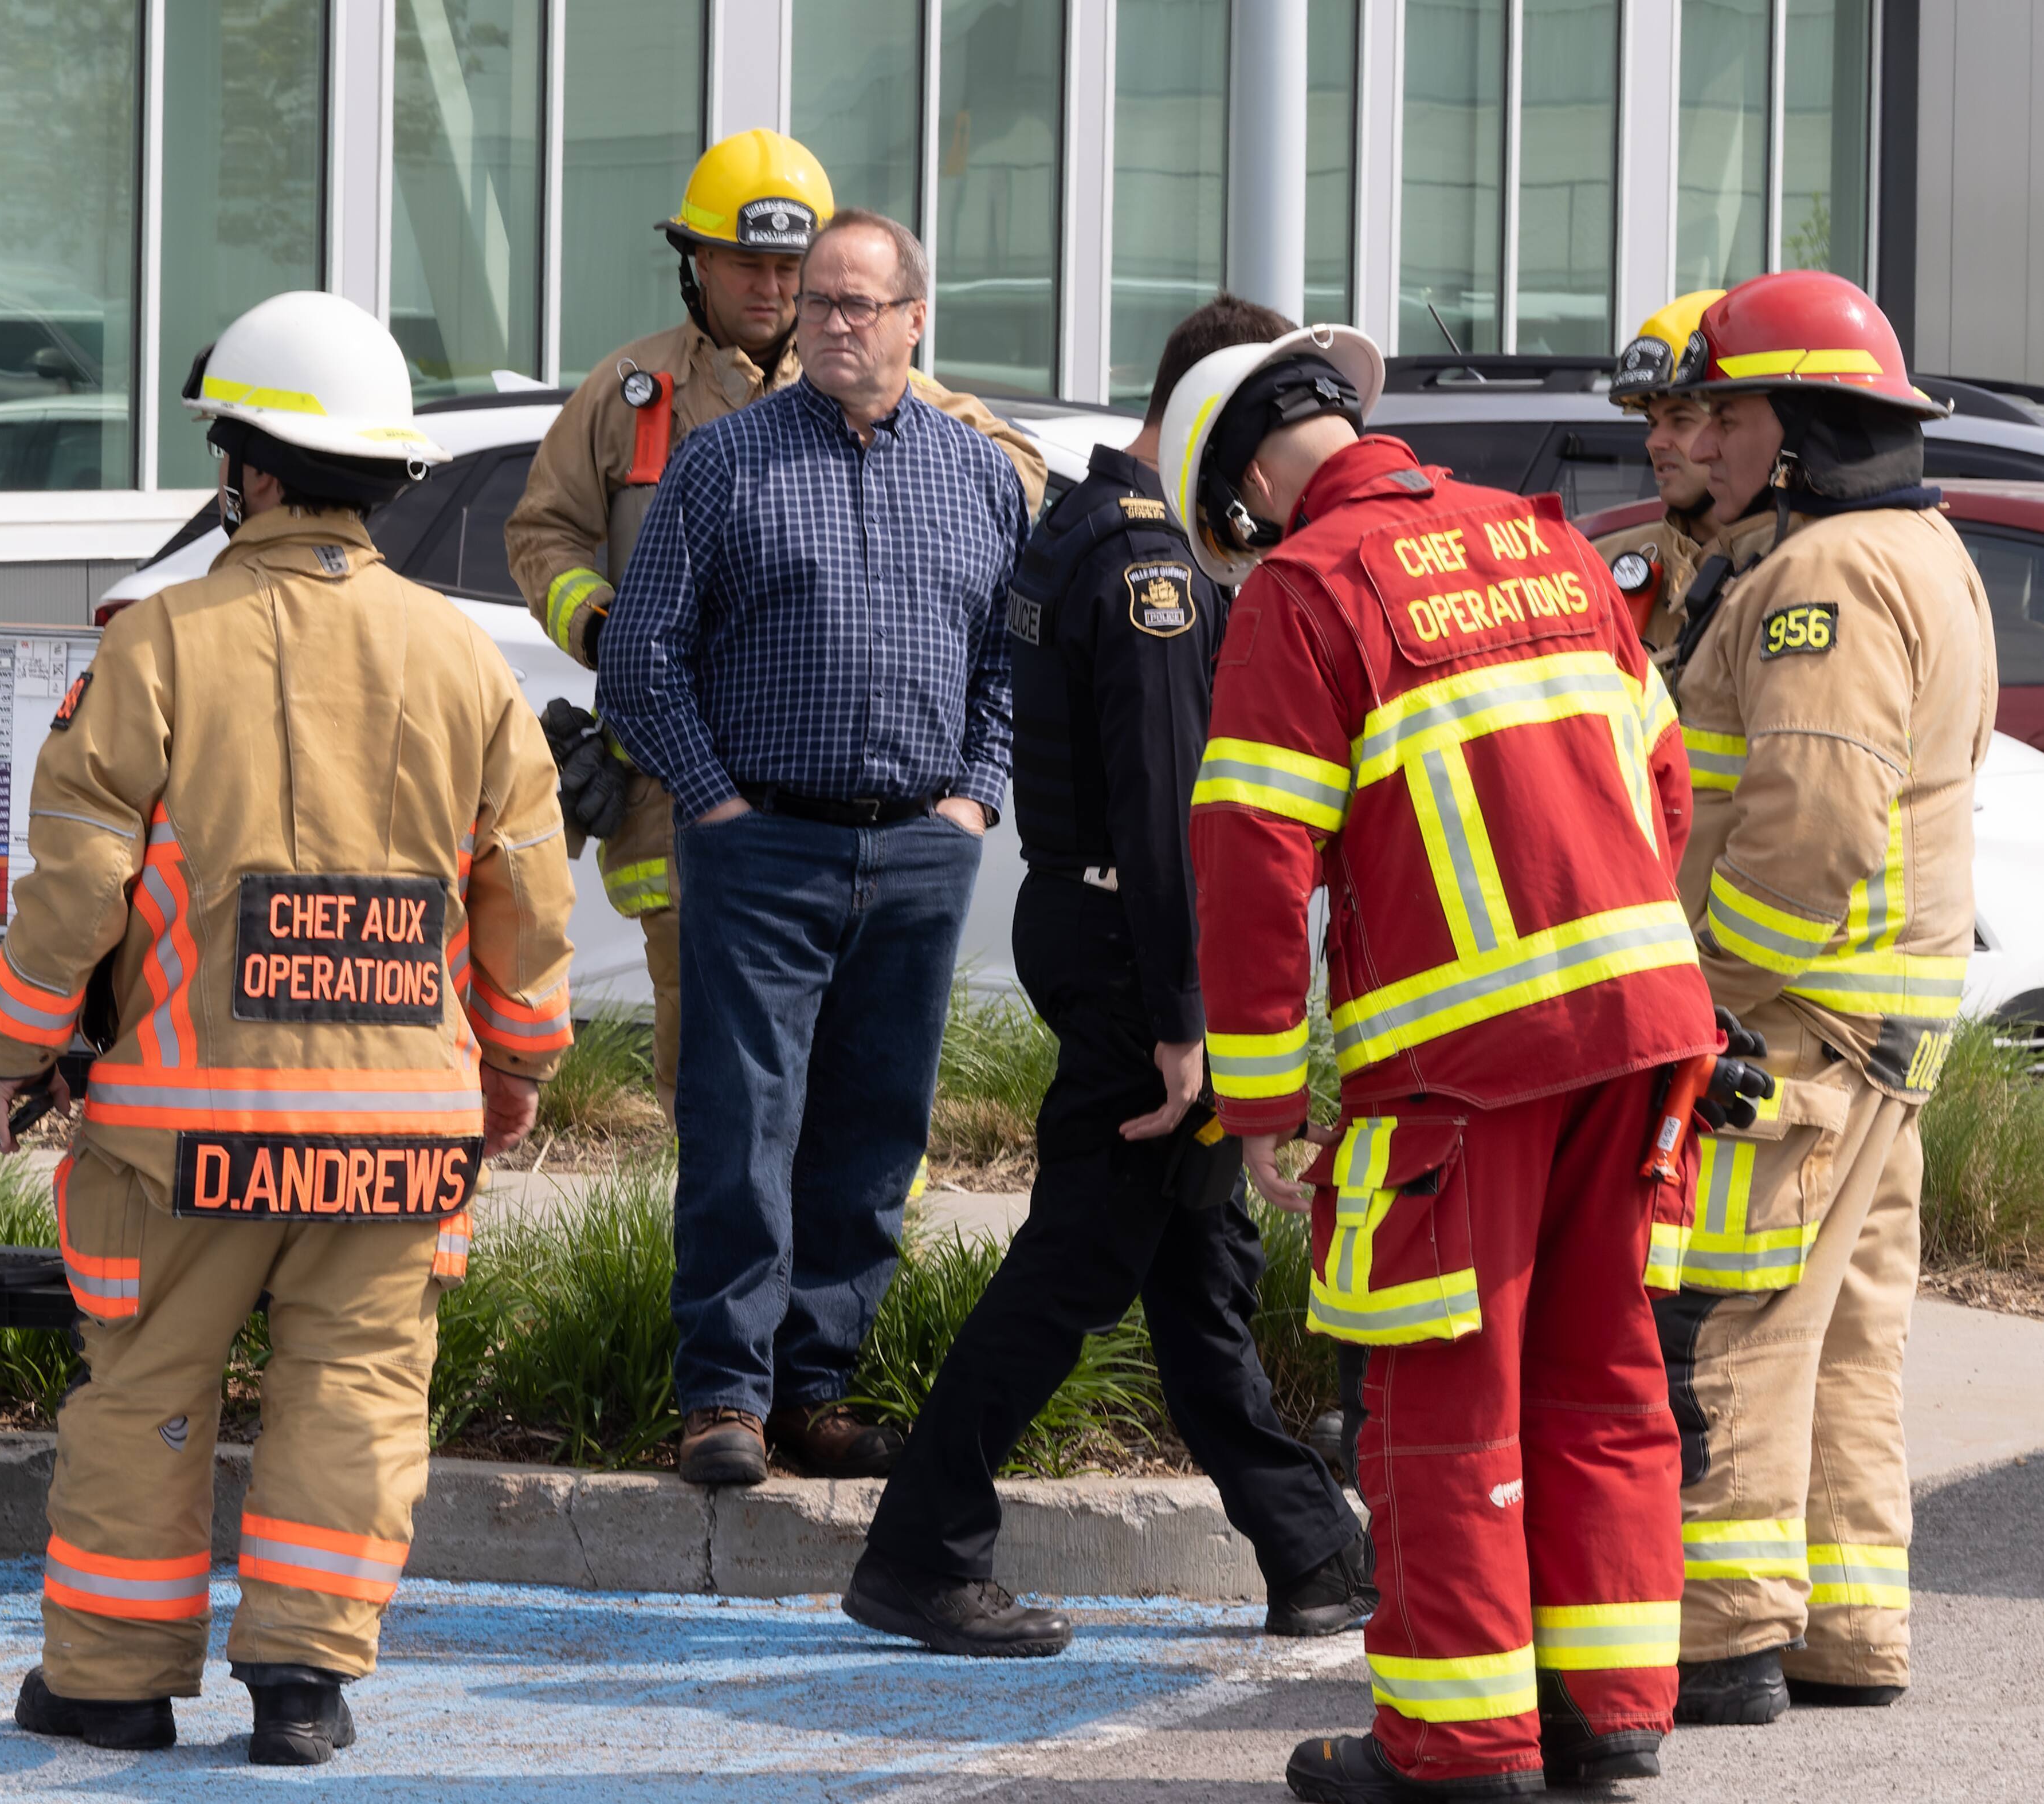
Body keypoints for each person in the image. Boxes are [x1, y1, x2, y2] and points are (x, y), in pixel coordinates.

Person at [0, 290, 575, 1767]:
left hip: (184, 1134)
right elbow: (526, 897)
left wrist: (11, 1050)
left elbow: (78, 882)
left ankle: (112, 1679)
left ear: (243, 466)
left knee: (147, 1391)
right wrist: (512, 1068)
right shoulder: (463, 661)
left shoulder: (158, 643)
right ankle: (301, 1684)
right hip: (392, 1136)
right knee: (356, 1398)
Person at [1174, 324, 1732, 1801]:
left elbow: (1246, 863)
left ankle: (1452, 1743)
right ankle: (1606, 1716)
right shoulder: (1539, 542)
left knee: (1440, 1395)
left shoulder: (1299, 587)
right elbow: (1659, 782)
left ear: (1235, 502)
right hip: (1642, 1031)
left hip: (1461, 1061)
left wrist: (1256, 1099)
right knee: (1604, 1376)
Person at [842, 295, 1378, 1660]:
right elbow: (1163, 803)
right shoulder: (1147, 560)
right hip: (1140, 947)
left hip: (1100, 931)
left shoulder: (1088, 521)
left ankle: (1309, 1548)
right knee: (1075, 1264)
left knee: (1194, 1269)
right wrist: (1189, 1021)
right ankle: (919, 1551)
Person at [598, 210, 1025, 1488]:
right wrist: (715, 800)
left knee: (875, 1124)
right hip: (761, 843)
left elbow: (1006, 660)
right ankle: (723, 1393)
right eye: (820, 302)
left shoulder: (978, 475)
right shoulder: (724, 463)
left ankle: (816, 1387)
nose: (833, 320)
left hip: (918, 848)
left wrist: (975, 801)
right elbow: (640, 656)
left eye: (860, 302)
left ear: (914, 320)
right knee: (743, 1119)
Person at [506, 130, 1043, 1121]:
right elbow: (542, 529)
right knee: (715, 1082)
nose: (769, 285)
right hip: (678, 785)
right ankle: (725, 1266)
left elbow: (1011, 463)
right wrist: (603, 627)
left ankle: (859, 1269)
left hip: (846, 800)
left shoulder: (863, 374)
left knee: (865, 1079)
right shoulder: (630, 393)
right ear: (694, 263)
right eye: (744, 262)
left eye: (790, 267)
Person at [1649, 271, 1992, 1727]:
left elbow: (1811, 821)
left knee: (1734, 1323)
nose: (1700, 439)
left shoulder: (1822, 577)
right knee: (1850, 1332)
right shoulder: (1918, 550)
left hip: (1784, 1029)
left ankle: (1717, 1632)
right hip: (1874, 1031)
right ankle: (1842, 1624)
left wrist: (1703, 988)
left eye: (1723, 412)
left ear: (1792, 430)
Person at [1588, 290, 1728, 670]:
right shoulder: (1596, 568)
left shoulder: (1796, 571)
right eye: (1651, 423)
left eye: (1680, 420)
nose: (1653, 441)